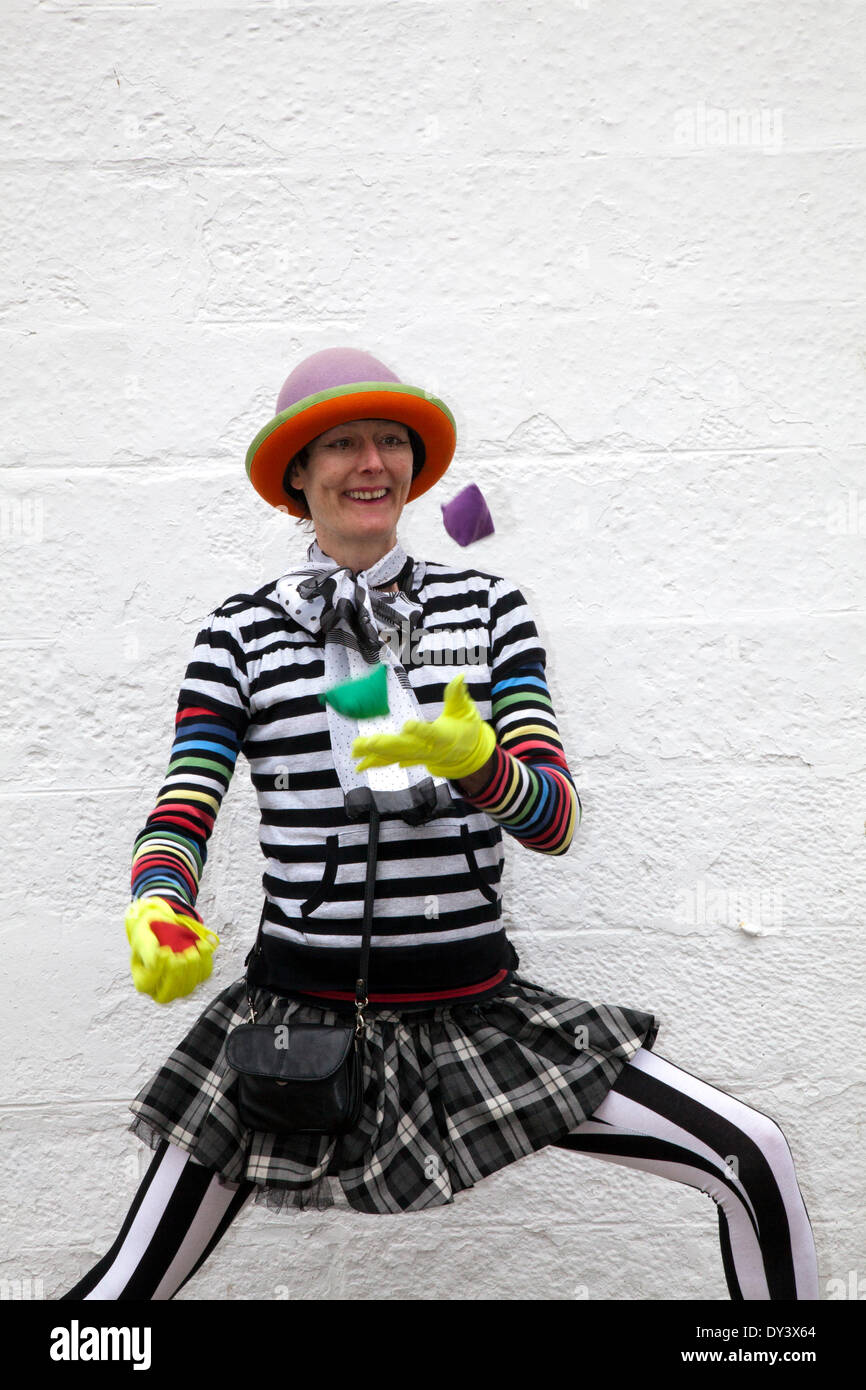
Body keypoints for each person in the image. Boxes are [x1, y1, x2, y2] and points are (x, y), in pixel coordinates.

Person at [59, 347, 818, 1301]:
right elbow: (183, 806)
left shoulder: (490, 609)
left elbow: (556, 819)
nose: (370, 463)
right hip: (295, 1030)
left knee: (753, 1158)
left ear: (415, 469)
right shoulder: (238, 632)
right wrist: (158, 901)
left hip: (477, 1016)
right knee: (119, 1300)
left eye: (390, 441)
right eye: (341, 444)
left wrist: (482, 767)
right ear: (298, 475)